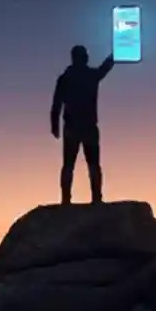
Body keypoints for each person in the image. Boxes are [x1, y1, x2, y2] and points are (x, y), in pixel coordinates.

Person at [50, 45, 115, 204]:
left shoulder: (65, 78)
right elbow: (105, 68)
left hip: (73, 127)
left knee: (69, 165)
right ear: (84, 57)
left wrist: (55, 125)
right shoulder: (89, 75)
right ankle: (96, 198)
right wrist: (116, 53)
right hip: (87, 127)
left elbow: (56, 104)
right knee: (92, 165)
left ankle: (66, 200)